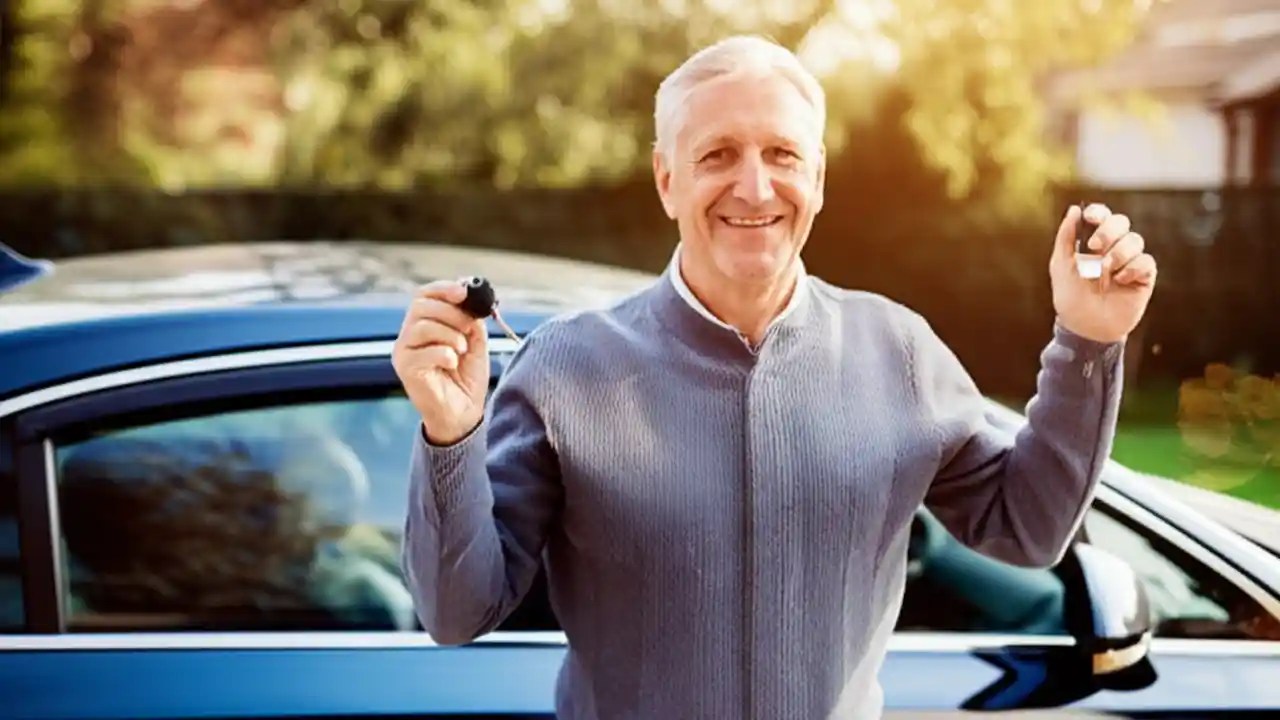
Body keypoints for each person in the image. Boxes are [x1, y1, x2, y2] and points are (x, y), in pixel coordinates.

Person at [394, 35, 1157, 720]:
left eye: (782, 155)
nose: (755, 189)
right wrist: (451, 433)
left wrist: (1088, 341)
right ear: (667, 181)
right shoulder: (564, 367)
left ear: (818, 177)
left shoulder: (898, 350)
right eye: (717, 154)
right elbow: (457, 611)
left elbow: (1027, 528)